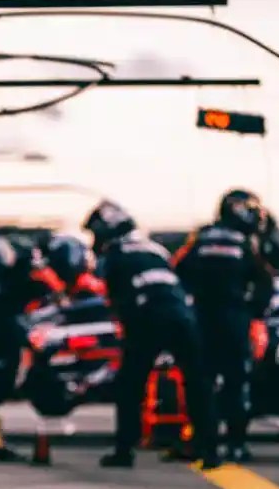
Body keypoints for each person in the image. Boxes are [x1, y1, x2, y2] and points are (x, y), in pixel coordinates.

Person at [83, 200, 220, 469]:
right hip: (182, 316)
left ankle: (124, 450)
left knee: (130, 384)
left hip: (147, 317)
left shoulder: (115, 253)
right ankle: (210, 449)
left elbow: (115, 296)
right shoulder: (155, 249)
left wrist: (127, 329)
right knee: (197, 382)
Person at [173, 189, 275, 463]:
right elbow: (265, 281)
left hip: (202, 318)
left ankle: (204, 443)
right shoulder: (247, 243)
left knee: (201, 382)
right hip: (233, 319)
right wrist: (255, 312)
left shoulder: (200, 238)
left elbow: (178, 273)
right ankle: (236, 443)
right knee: (236, 383)